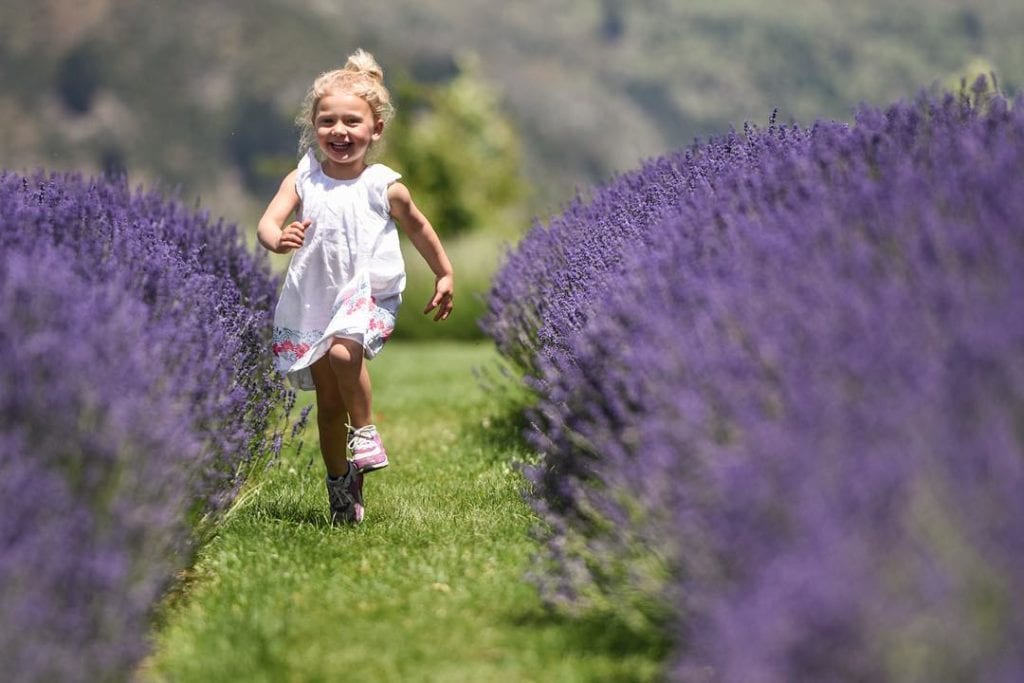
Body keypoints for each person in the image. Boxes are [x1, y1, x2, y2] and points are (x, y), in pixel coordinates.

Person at [257, 49, 455, 525]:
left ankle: (365, 433)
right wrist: (277, 240)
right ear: (313, 124)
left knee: (346, 355)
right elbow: (268, 220)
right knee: (327, 409)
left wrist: (444, 272)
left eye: (352, 121)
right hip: (316, 297)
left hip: (366, 293)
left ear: (376, 129)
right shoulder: (304, 178)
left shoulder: (383, 186)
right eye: (328, 121)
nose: (339, 131)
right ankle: (341, 484)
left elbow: (420, 230)